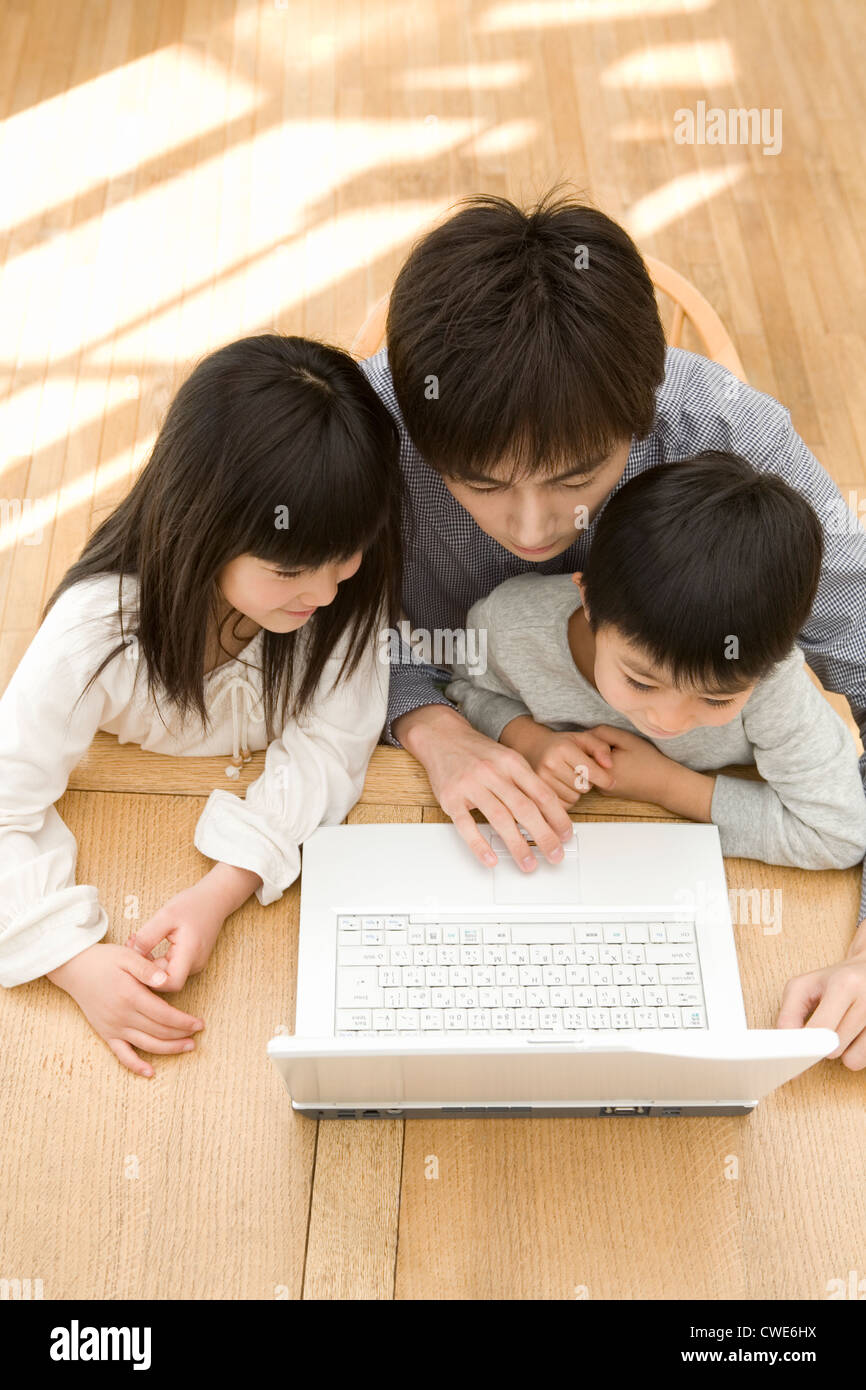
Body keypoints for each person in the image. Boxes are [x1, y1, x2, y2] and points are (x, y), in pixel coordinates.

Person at [359, 189, 866, 1068]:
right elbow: (271, 611)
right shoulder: (369, 425)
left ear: (643, 413)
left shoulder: (731, 442)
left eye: (576, 476)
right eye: (478, 483)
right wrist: (429, 720)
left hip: (713, 858)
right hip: (432, 817)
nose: (529, 530)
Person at [0, 334, 402, 1076]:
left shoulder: (345, 587)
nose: (322, 593)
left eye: (344, 559)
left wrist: (223, 889)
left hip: (255, 900)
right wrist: (73, 961)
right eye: (288, 570)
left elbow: (333, 746)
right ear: (204, 528)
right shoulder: (97, 631)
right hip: (129, 820)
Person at [445, 451, 866, 873]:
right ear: (589, 601)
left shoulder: (772, 685)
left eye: (716, 700)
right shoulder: (508, 627)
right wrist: (526, 739)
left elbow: (838, 833)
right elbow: (462, 689)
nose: (668, 719)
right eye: (641, 682)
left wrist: (668, 786)